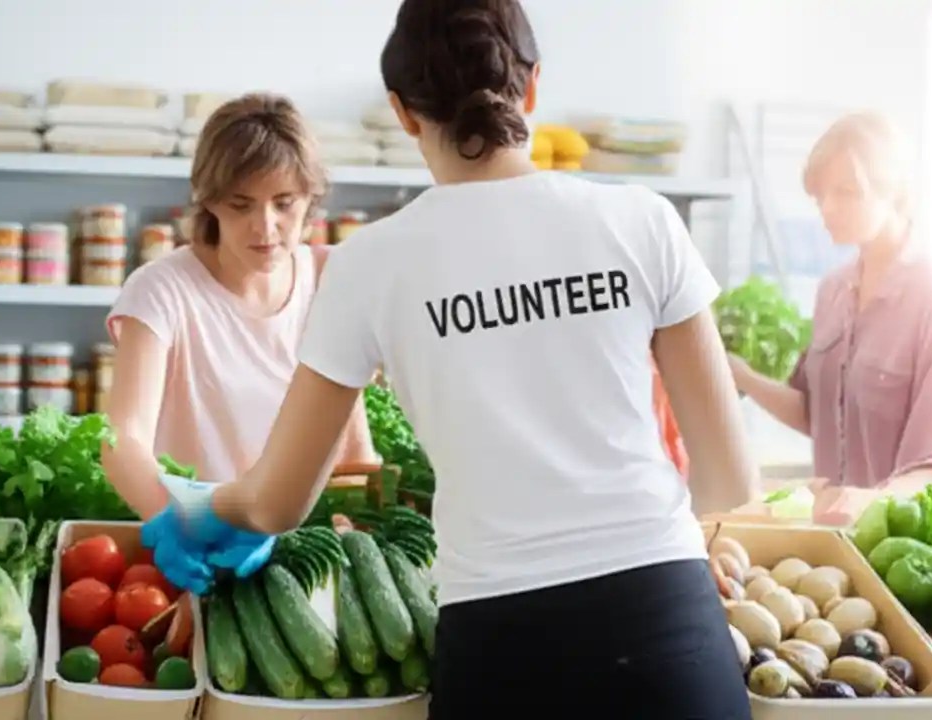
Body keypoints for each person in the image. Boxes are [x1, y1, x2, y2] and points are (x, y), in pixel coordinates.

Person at [142, 0, 761, 715]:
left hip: (500, 642)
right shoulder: (643, 220)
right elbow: (727, 476)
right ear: (531, 88)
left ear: (403, 112)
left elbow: (280, 500)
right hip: (666, 624)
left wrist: (201, 504)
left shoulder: (369, 263)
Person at [100, 93, 379, 521]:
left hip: (306, 545)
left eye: (284, 203)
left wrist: (358, 530)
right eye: (241, 204)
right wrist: (185, 523)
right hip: (201, 532)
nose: (265, 226)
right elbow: (124, 440)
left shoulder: (330, 278)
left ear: (310, 198)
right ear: (209, 200)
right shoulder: (160, 290)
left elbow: (354, 447)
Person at [730, 111, 932, 521]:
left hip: (904, 548)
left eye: (845, 192)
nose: (827, 208)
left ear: (894, 191)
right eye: (820, 195)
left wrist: (872, 501)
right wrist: (739, 374)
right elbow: (818, 415)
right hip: (834, 536)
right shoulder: (833, 291)